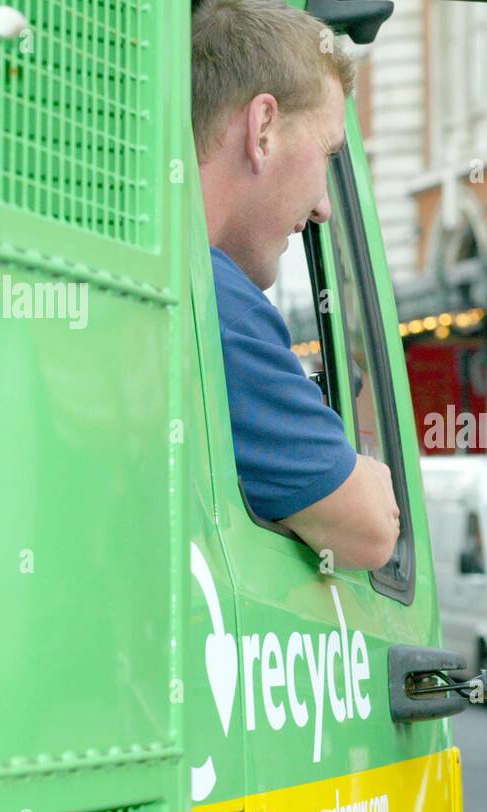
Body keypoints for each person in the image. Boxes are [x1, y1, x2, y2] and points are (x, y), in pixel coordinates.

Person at [192, 0, 399, 571]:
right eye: (328, 153)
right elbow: (368, 534)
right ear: (261, 130)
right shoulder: (214, 303)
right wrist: (371, 477)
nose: (325, 208)